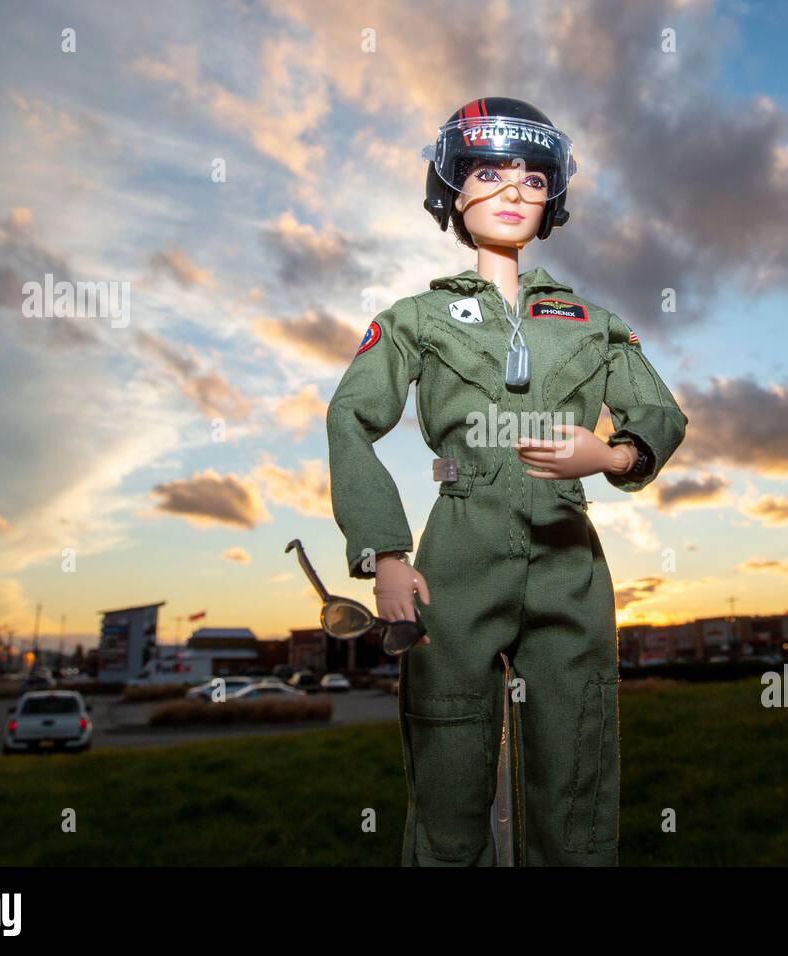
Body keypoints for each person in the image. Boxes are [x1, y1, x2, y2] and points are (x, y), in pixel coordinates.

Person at [326, 96, 687, 865]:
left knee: (576, 763)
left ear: (551, 195)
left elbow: (659, 411)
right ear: (453, 191)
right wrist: (385, 554)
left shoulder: (593, 321)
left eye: (531, 176)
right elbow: (352, 419)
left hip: (568, 554)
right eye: (490, 172)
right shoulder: (415, 318)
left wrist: (613, 455)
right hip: (458, 547)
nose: (513, 190)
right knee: (449, 762)